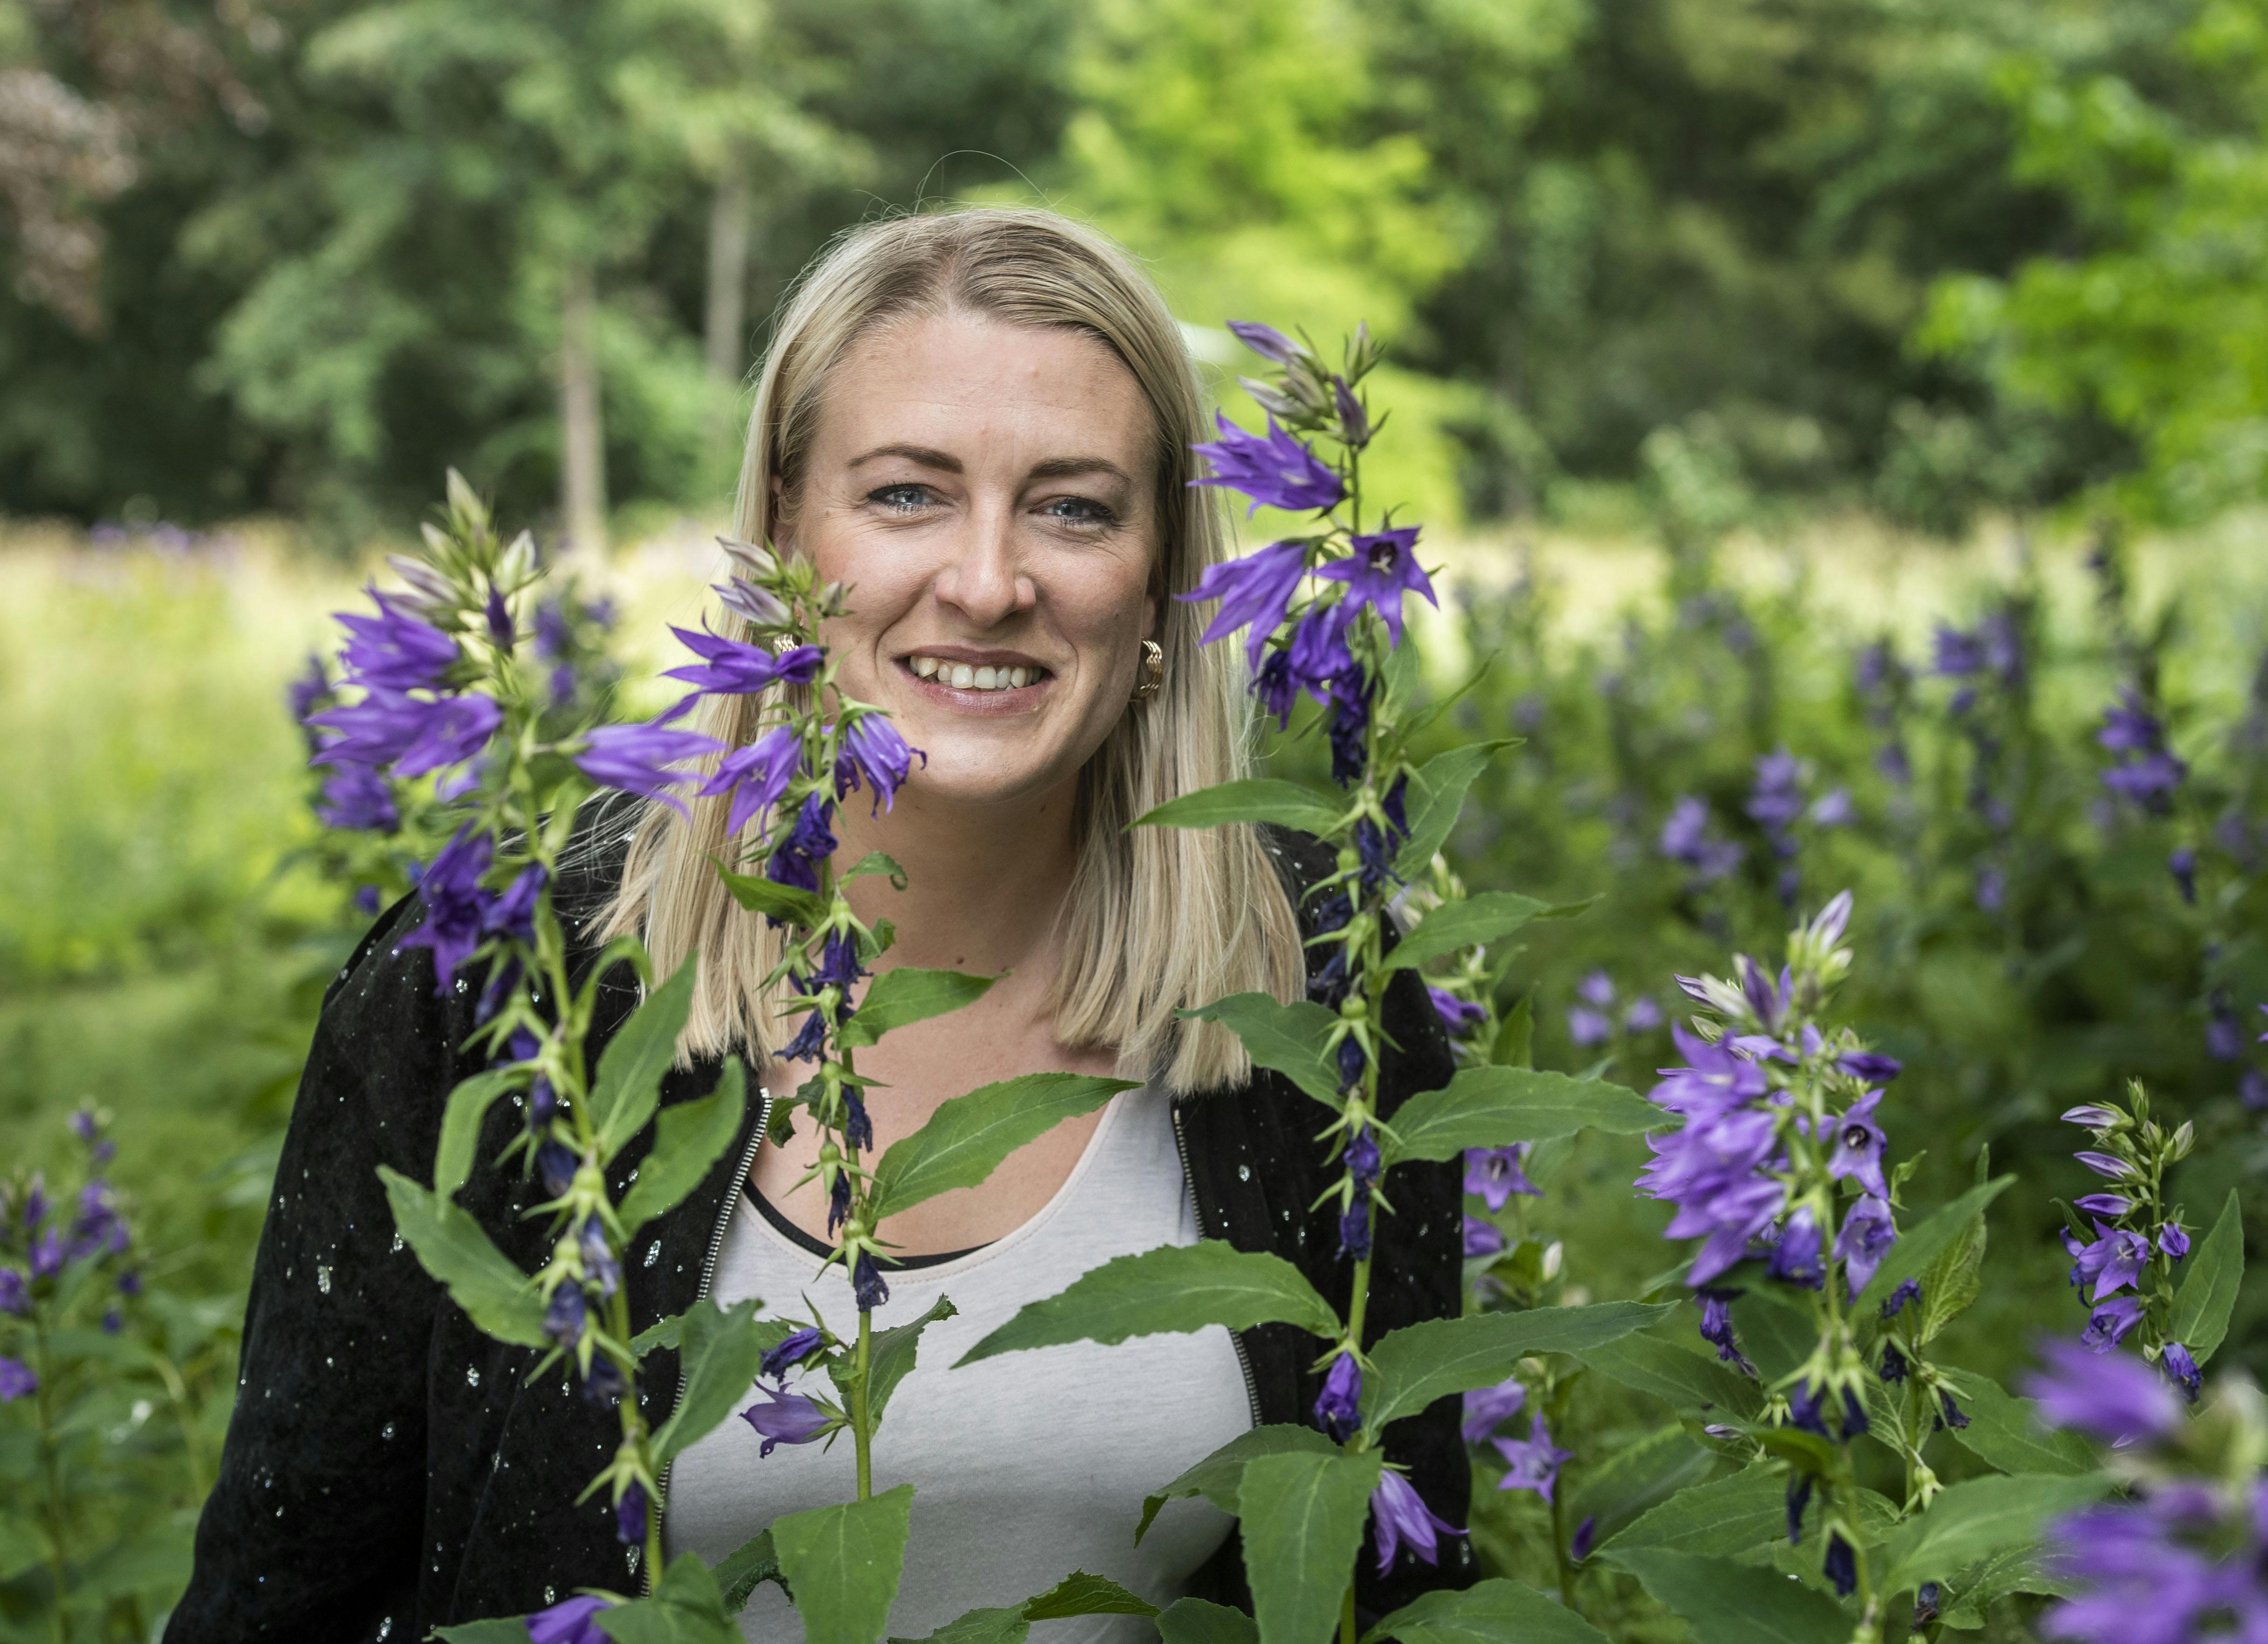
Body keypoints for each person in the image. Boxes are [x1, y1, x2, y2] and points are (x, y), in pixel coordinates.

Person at [165, 206, 1471, 1644]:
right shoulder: (496, 975)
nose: (987, 581)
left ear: (1163, 566)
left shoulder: (1318, 995)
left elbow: (1400, 1570)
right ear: (787, 524)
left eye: (1075, 506)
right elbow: (279, 1598)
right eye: (907, 494)